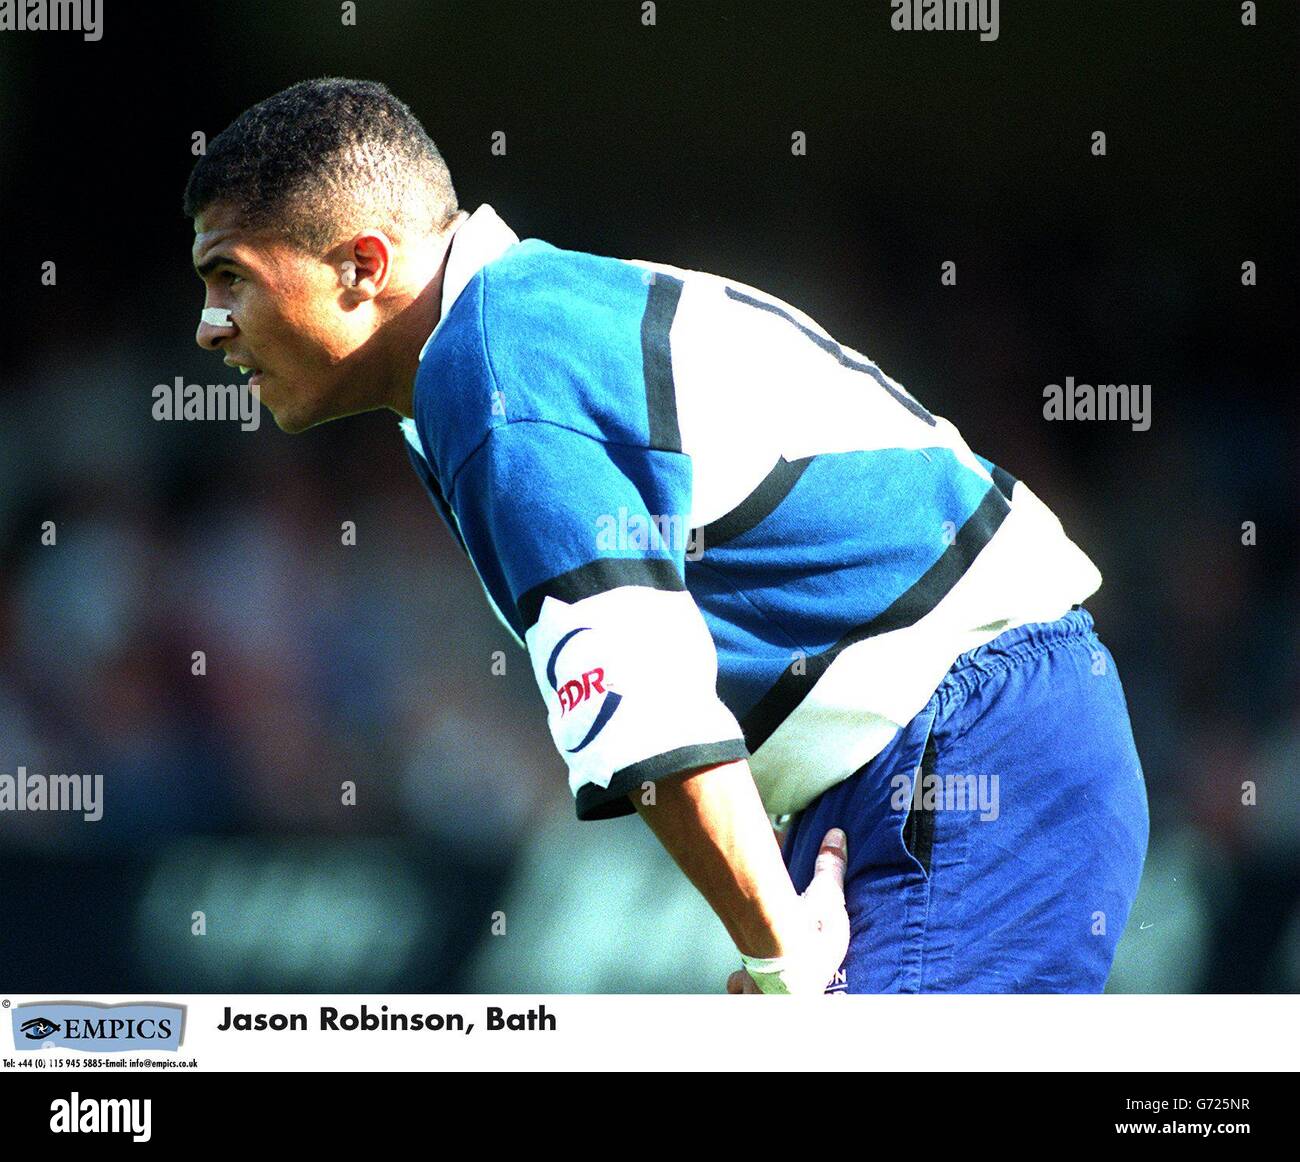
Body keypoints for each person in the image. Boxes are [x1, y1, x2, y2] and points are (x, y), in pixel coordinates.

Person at [185, 77, 1149, 994]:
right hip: (937, 748)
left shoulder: (496, 374)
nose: (208, 326)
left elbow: (652, 728)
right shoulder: (514, 329)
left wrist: (781, 964)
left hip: (970, 744)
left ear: (363, 266)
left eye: (231, 276)